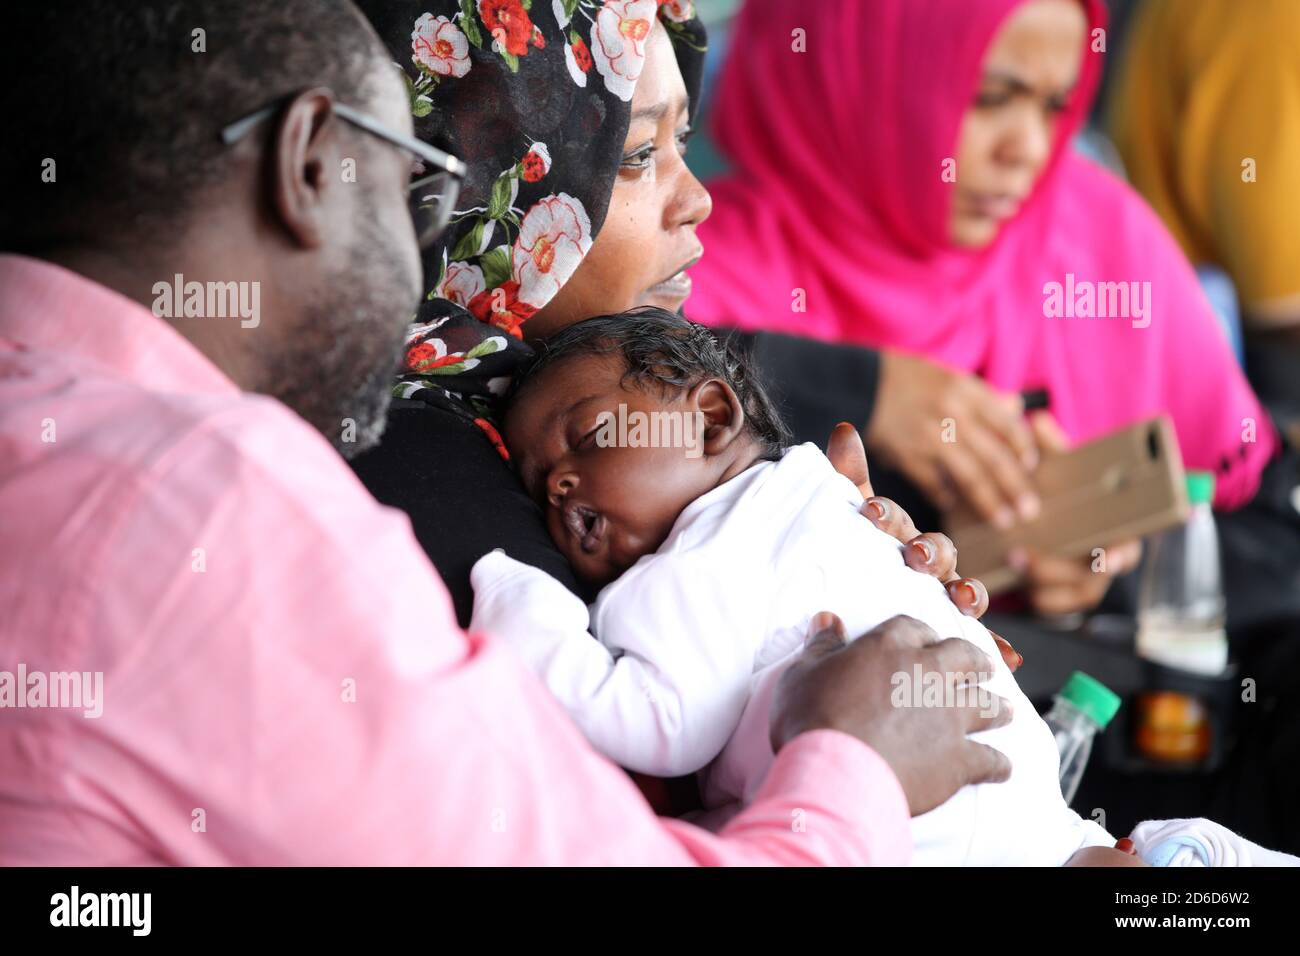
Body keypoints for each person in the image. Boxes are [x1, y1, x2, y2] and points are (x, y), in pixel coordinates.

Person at [0, 0, 1011, 867]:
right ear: (310, 163)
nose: (418, 232)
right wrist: (860, 757)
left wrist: (811, 592)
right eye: (634, 152)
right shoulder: (239, 494)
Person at [472, 308, 1296, 867]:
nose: (564, 490)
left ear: (713, 419)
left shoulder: (690, 564)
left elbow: (656, 726)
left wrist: (515, 602)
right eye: (544, 482)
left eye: (587, 440)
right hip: (1040, 815)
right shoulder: (821, 491)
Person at [348, 0, 1013, 627]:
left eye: (683, 141)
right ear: (479, 184)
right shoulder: (418, 474)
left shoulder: (634, 419)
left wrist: (849, 586)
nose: (698, 200)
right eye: (637, 155)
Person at [685, 0, 1283, 619]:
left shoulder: (1101, 238)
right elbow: (623, 418)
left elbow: (1272, 544)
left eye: (1055, 105)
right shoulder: (684, 255)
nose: (1028, 148)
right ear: (855, 71)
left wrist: (1108, 576)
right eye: (990, 96)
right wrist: (864, 391)